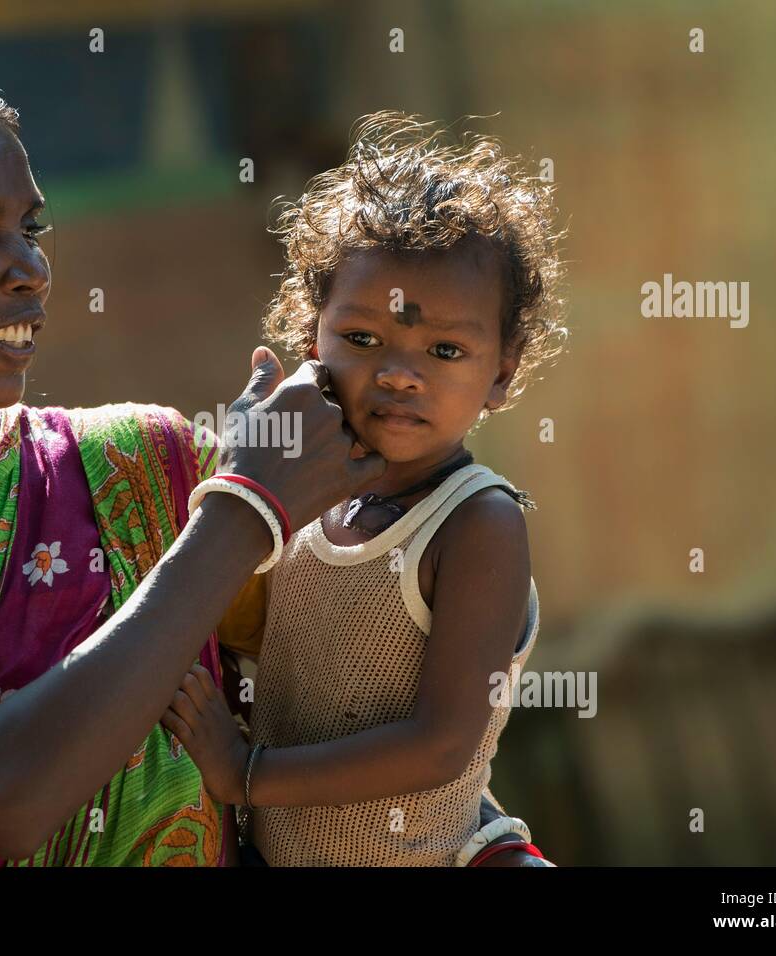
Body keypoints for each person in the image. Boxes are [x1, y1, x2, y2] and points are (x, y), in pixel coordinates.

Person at [0, 44, 537, 866]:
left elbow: (381, 664)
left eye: (30, 229)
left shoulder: (142, 468)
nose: (32, 269)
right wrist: (241, 513)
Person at [164, 112, 566, 866]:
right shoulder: (302, 502)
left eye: (445, 349)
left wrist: (243, 772)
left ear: (503, 373)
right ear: (310, 337)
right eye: (362, 339)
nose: (399, 373)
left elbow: (439, 746)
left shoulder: (475, 523)